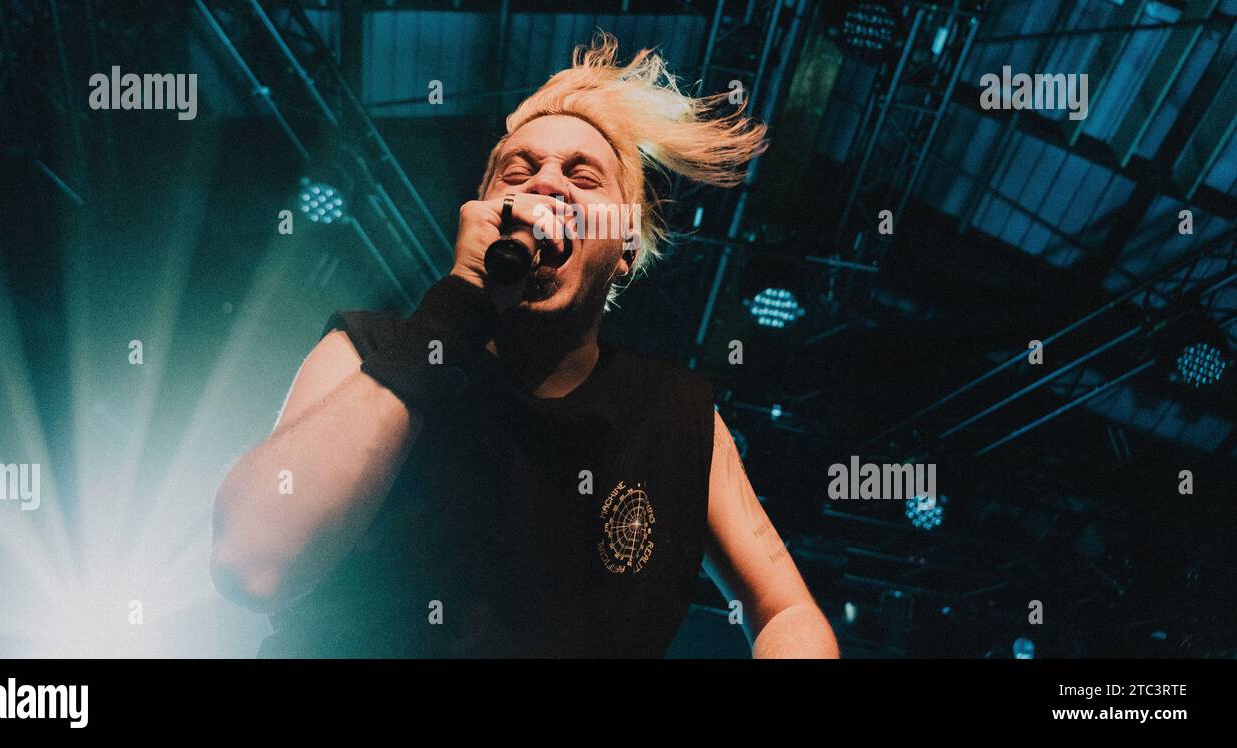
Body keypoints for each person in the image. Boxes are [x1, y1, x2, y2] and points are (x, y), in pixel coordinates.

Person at [210, 32, 840, 658]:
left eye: (583, 176)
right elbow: (253, 563)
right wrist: (458, 303)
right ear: (484, 212)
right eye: (519, 171)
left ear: (625, 247)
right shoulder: (369, 350)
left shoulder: (677, 415)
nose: (547, 186)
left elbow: (786, 610)